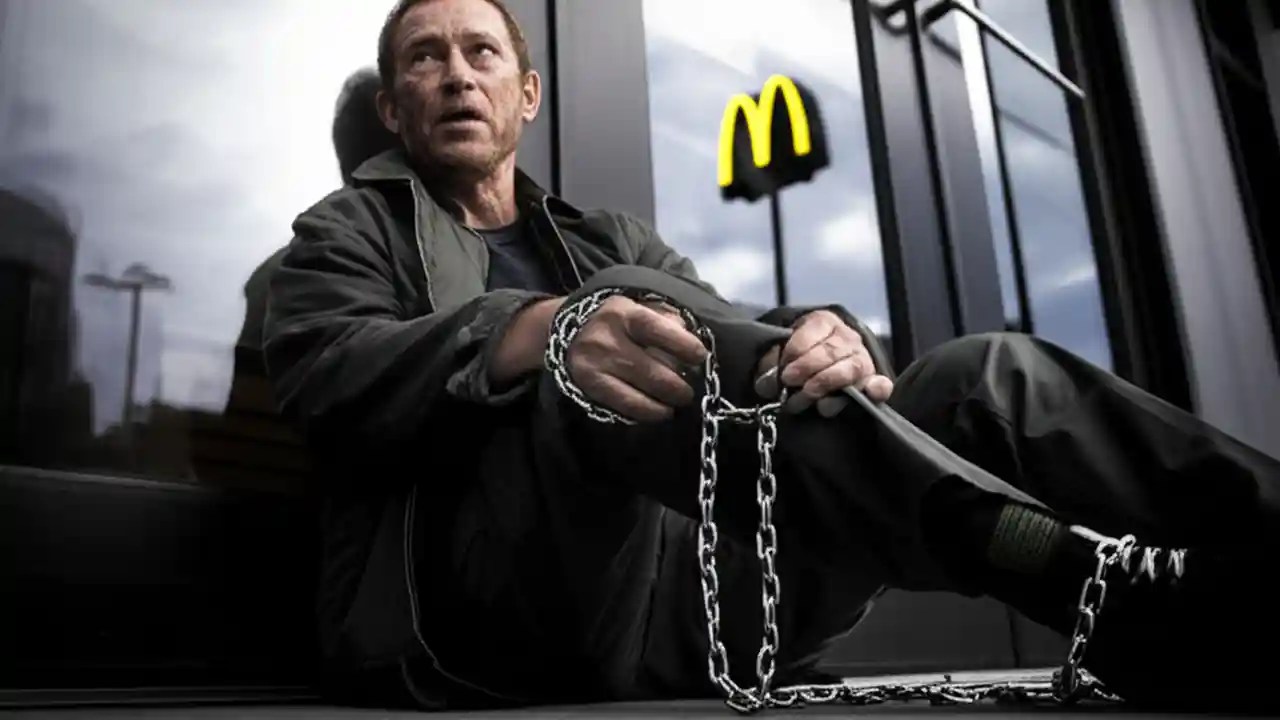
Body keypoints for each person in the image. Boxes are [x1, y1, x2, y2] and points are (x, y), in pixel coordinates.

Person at [263, 0, 1280, 712]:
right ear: (393, 108)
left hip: (703, 603)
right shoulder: (349, 230)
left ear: (525, 94)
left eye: (479, 53)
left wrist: (820, 336)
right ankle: (1072, 576)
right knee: (606, 325)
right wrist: (538, 332)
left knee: (985, 377)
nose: (453, 75)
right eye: (424, 58)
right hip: (490, 623)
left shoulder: (606, 238)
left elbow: (721, 330)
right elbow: (325, 367)